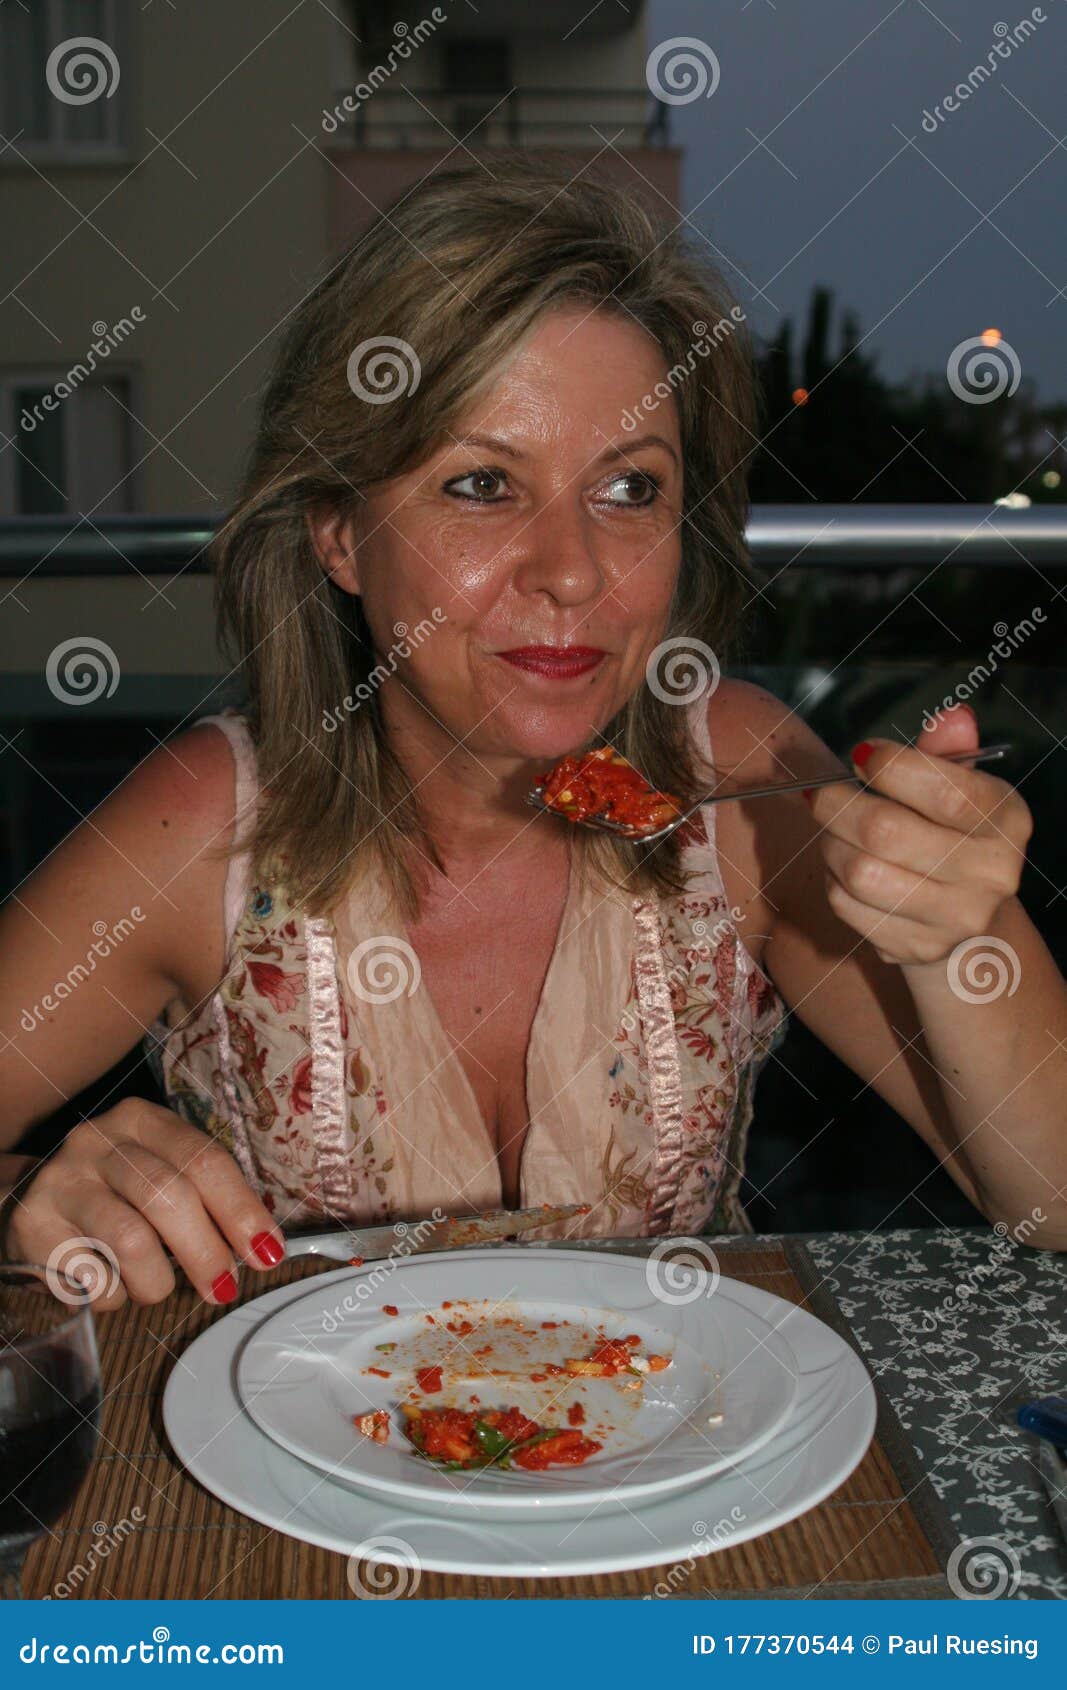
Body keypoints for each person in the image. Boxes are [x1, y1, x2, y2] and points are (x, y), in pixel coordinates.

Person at [2, 157, 1063, 1313]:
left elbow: (1051, 1201)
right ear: (339, 535)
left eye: (627, 491)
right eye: (479, 484)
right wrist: (26, 1200)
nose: (572, 572)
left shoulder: (746, 785)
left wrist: (960, 930)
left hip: (680, 1465)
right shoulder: (203, 827)